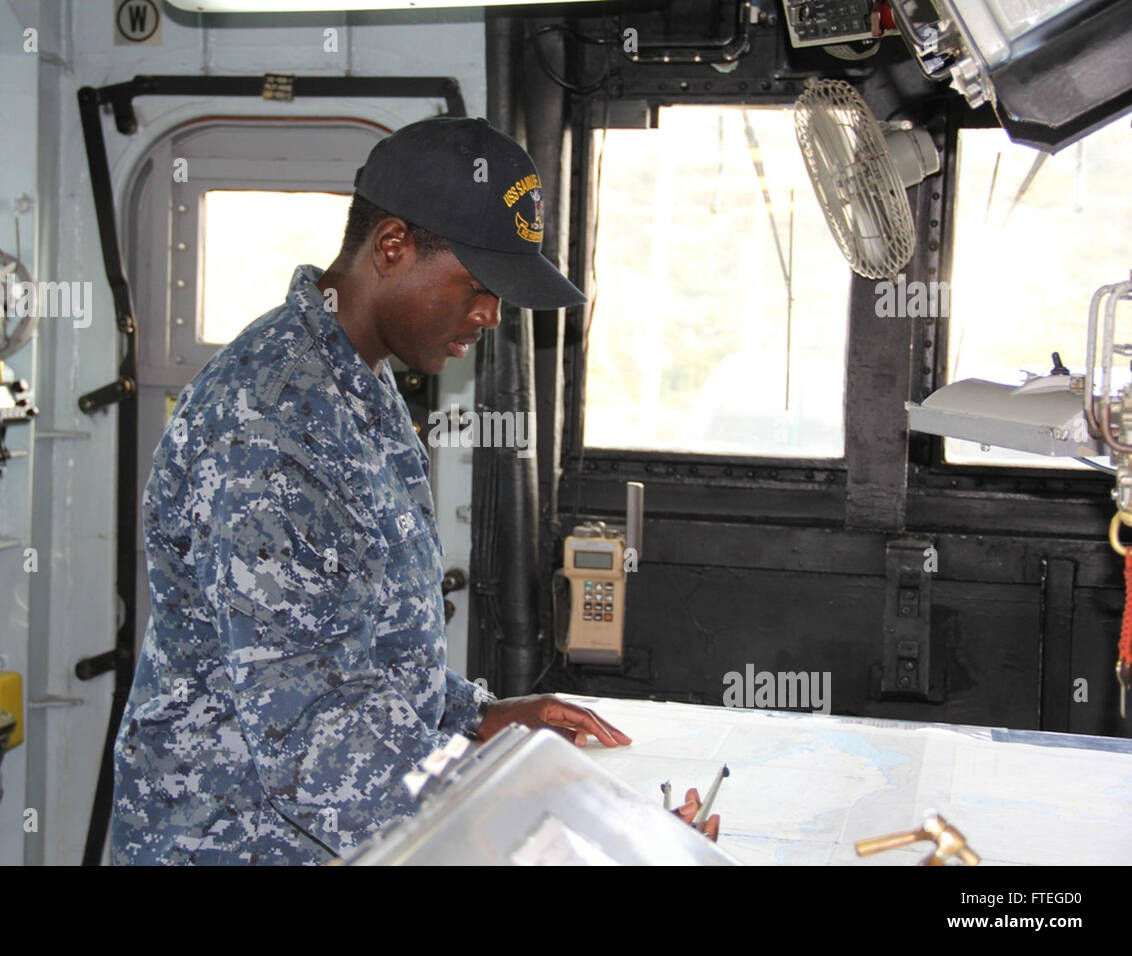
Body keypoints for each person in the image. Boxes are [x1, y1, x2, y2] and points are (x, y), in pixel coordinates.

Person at [111, 116, 716, 865]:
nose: (491, 315)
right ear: (393, 247)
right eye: (479, 285)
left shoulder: (357, 381)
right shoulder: (269, 431)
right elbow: (322, 757)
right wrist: (586, 836)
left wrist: (475, 713)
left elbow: (353, 642)